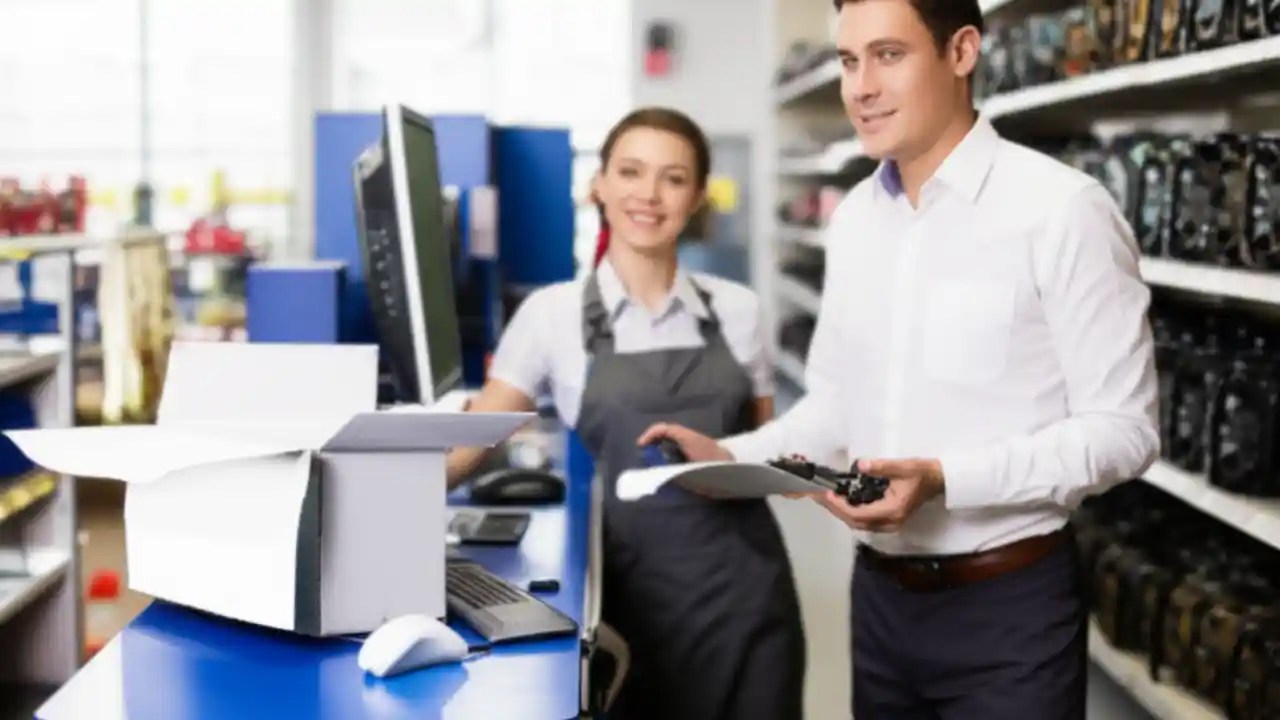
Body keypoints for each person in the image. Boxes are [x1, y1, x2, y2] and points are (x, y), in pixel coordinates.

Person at [639, 1, 1160, 718]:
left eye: (888, 55)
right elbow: (834, 407)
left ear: (962, 52)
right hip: (880, 605)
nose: (861, 87)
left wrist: (945, 480)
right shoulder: (856, 218)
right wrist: (726, 456)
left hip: (1007, 614)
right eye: (849, 61)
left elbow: (1126, 430)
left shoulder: (1063, 211)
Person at [446, 107, 805, 720]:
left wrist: (805, 470)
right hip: (633, 606)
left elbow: (771, 448)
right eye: (631, 172)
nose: (649, 194)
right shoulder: (552, 316)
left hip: (745, 601)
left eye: (673, 178)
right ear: (599, 185)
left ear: (697, 197)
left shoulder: (739, 310)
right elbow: (470, 444)